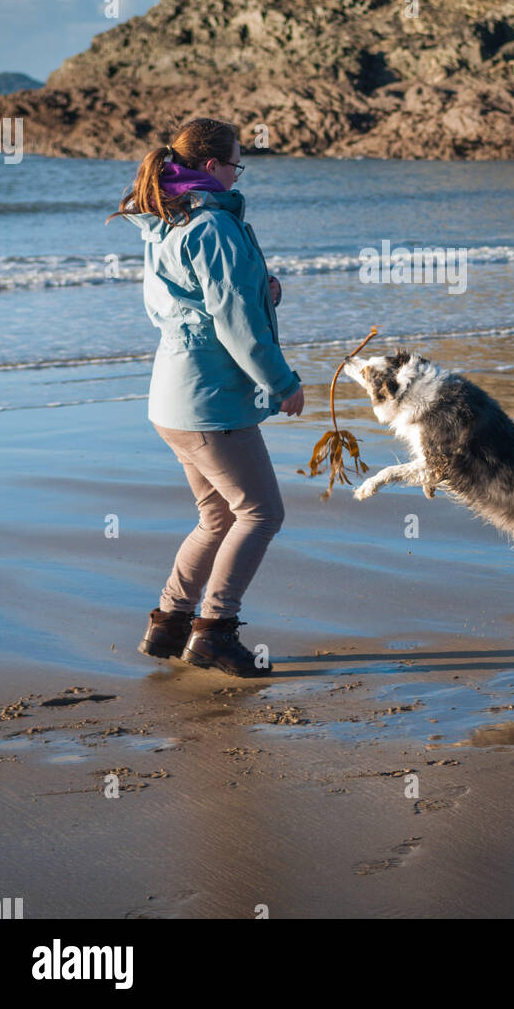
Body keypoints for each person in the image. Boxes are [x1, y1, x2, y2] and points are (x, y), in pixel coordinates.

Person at [108, 116, 304, 676]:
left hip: (171, 399)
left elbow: (189, 302)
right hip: (209, 401)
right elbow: (234, 322)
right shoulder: (212, 225)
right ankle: (215, 631)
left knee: (217, 515)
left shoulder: (167, 219)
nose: (239, 175)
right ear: (214, 166)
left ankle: (168, 625)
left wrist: (266, 293)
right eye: (237, 164)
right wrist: (283, 383)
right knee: (262, 512)